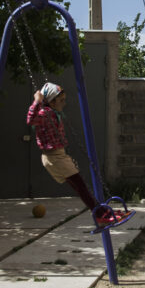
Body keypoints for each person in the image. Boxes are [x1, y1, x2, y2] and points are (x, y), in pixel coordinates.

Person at [26, 82, 124, 228]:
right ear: (51, 101)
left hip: (59, 155)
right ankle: (100, 215)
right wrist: (37, 100)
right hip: (54, 157)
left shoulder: (53, 113)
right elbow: (30, 120)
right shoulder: (45, 113)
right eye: (61, 100)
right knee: (81, 186)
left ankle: (102, 212)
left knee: (80, 186)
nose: (64, 103)